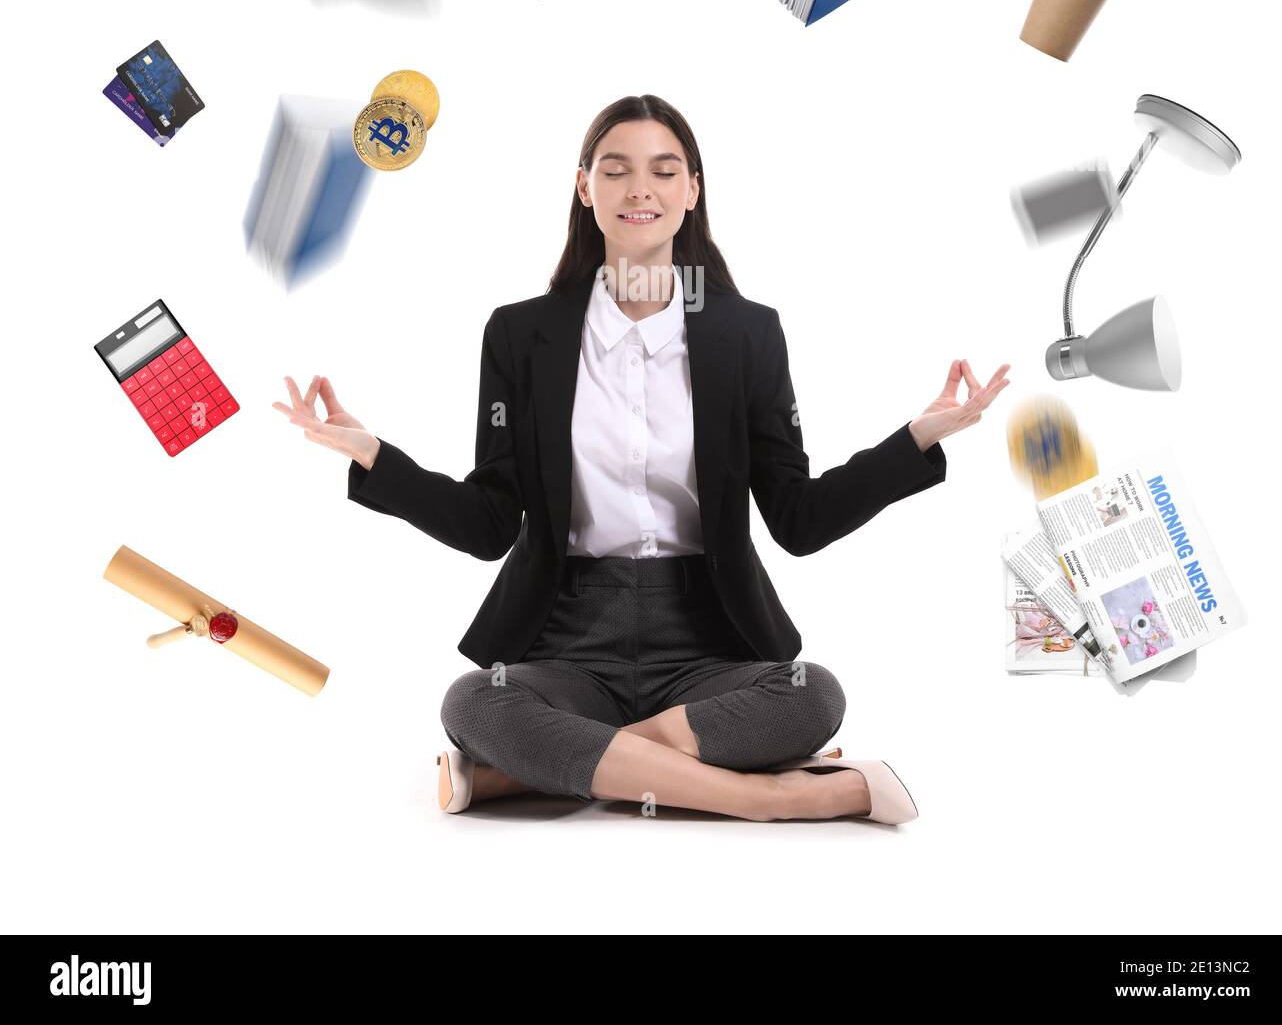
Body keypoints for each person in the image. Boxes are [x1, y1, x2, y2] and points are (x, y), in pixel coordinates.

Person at [275, 95, 1009, 823]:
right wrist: (374, 457)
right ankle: (764, 798)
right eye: (616, 168)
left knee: (814, 694)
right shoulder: (520, 334)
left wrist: (917, 438)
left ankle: (531, 773)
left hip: (706, 640)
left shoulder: (746, 333)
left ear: (692, 191)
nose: (639, 189)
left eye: (664, 170)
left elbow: (799, 518)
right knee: (474, 702)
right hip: (567, 640)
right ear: (583, 185)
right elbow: (489, 521)